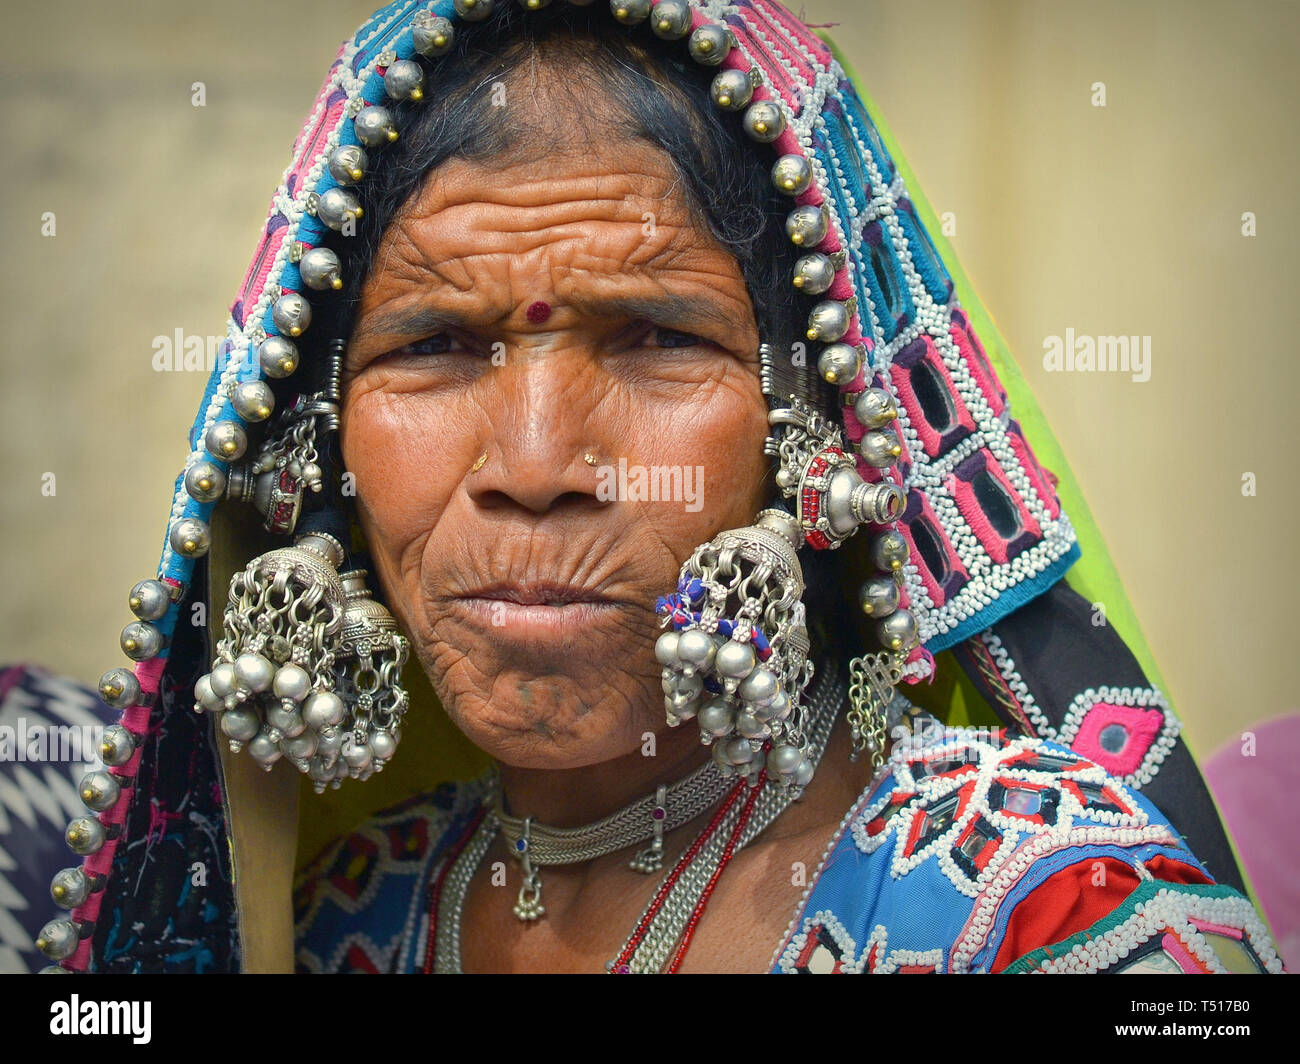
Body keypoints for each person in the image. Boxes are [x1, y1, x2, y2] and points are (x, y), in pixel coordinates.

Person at [33, 0, 1284, 974]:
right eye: (434, 346)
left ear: (812, 425)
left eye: (653, 339)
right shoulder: (340, 920)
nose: (532, 467)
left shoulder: (1050, 904)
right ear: (316, 454)